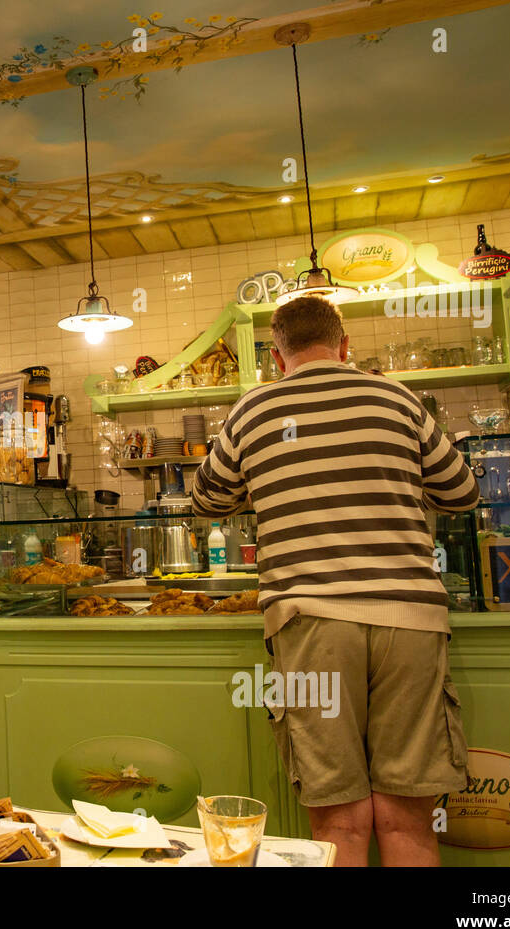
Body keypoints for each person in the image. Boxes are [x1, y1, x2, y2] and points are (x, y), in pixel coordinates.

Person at [191, 295, 479, 866]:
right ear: (345, 346)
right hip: (410, 619)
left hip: (310, 621)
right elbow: (463, 493)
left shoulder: (252, 409)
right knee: (407, 817)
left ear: (278, 356)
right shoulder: (397, 398)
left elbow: (206, 500)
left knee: (339, 823)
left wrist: (264, 482)